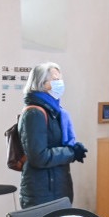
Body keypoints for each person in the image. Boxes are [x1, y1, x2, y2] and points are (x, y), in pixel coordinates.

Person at [18, 62, 84, 207]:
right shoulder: (34, 113)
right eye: (54, 80)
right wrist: (71, 152)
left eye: (60, 79)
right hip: (42, 192)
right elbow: (39, 157)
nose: (60, 83)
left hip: (56, 188)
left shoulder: (55, 111)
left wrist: (72, 150)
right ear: (41, 84)